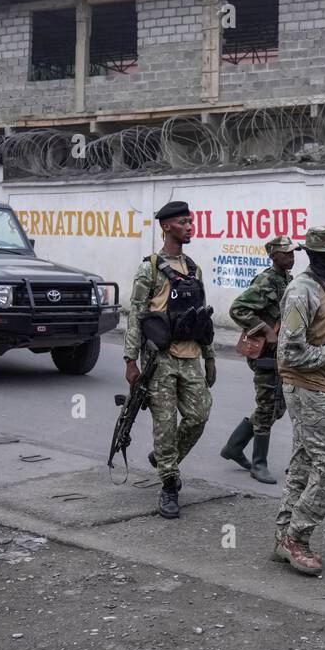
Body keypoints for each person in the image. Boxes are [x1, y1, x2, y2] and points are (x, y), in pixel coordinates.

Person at [273, 225, 325, 575]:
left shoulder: (322, 288)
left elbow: (314, 341)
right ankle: (297, 538)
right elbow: (290, 355)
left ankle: (282, 537)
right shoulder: (300, 292)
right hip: (306, 389)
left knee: (304, 465)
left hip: (319, 387)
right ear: (324, 258)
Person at [123, 201, 216, 519]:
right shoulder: (149, 267)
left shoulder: (193, 268)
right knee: (165, 425)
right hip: (160, 359)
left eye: (191, 222)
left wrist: (210, 357)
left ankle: (165, 457)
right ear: (166, 227)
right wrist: (130, 359)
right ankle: (169, 485)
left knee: (199, 416)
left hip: (191, 357)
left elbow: (202, 318)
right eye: (184, 222)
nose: (190, 226)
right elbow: (136, 314)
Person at [222, 235, 296, 484]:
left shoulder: (287, 279)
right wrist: (264, 329)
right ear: (273, 255)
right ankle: (258, 463)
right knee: (268, 406)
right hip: (265, 355)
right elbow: (237, 308)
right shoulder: (266, 281)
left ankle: (234, 446)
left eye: (293, 252)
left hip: (281, 354)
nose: (291, 257)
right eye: (286, 253)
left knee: (276, 407)